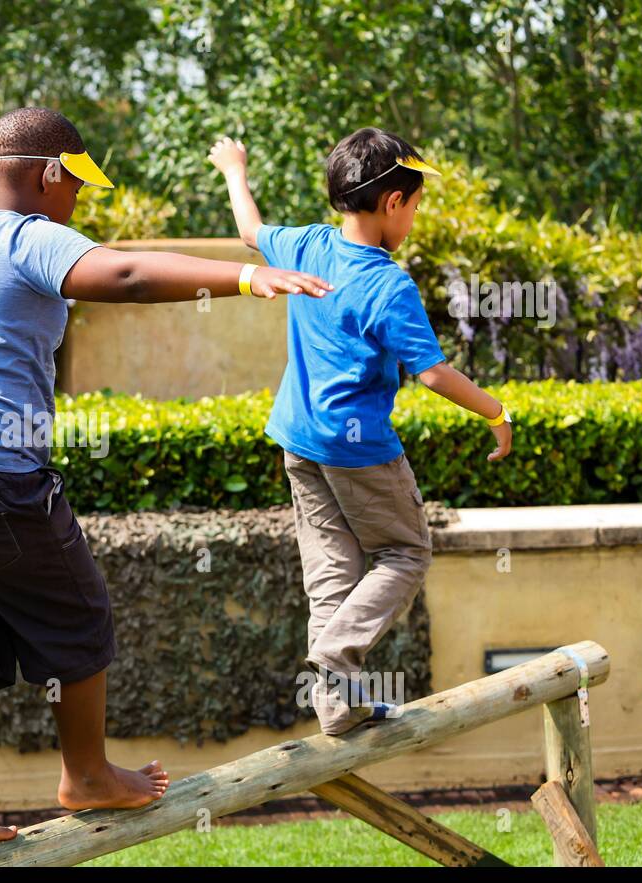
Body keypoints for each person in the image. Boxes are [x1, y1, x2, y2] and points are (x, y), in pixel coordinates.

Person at [0, 106, 333, 864]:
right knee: (80, 613)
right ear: (50, 173)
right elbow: (122, 273)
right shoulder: (33, 235)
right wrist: (247, 275)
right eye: (76, 184)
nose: (79, 202)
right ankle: (85, 775)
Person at [208, 128, 513, 736]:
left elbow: (249, 232)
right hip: (359, 451)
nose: (415, 221)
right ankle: (335, 654)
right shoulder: (388, 283)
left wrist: (234, 170)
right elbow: (432, 374)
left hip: (299, 438)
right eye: (416, 207)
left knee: (333, 571)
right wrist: (497, 413)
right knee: (405, 552)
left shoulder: (310, 245)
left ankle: (337, 707)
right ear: (393, 203)